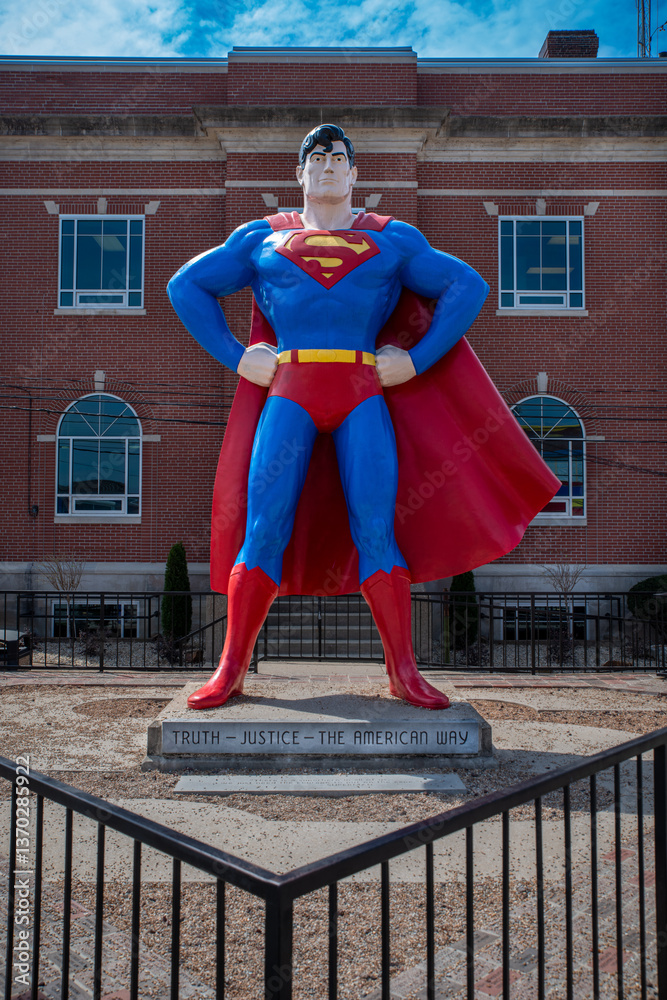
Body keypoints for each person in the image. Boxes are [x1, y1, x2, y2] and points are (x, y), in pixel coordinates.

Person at [168, 123, 558, 711]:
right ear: (299, 174)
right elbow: (186, 286)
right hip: (291, 389)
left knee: (377, 527)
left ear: (355, 175)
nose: (327, 166)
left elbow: (466, 286)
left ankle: (404, 671)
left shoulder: (393, 239)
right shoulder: (260, 239)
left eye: (339, 158)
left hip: (361, 392)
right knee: (263, 527)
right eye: (316, 157)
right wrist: (236, 357)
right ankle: (231, 668)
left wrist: (418, 359)